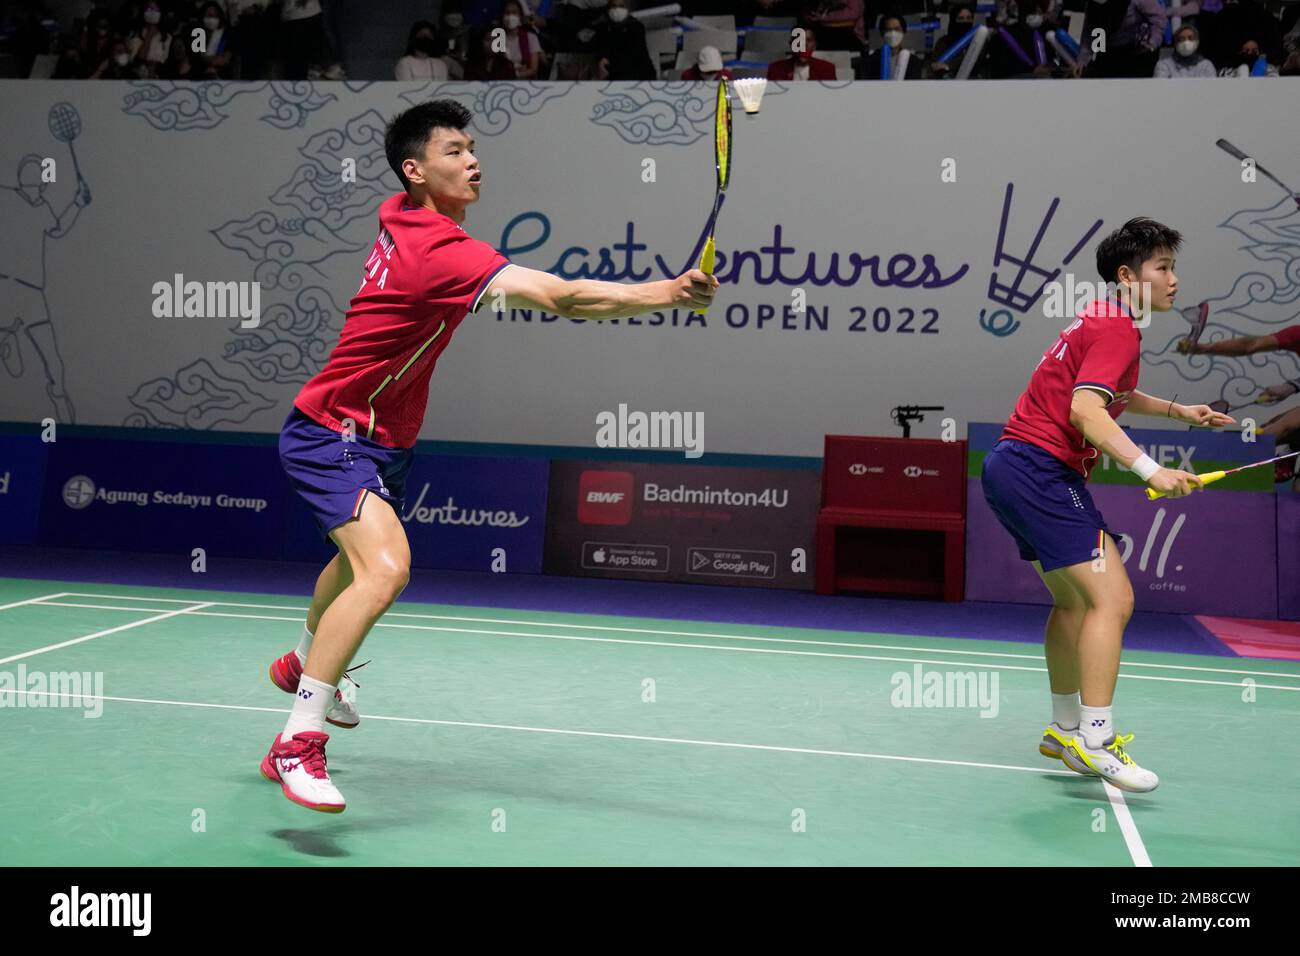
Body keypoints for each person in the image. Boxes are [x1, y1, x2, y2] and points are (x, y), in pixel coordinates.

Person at [262, 100, 719, 812]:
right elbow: (561, 297)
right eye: (452, 151)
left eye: (472, 147)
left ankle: (304, 662)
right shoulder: (437, 251)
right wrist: (665, 291)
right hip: (333, 430)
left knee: (352, 562)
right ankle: (299, 742)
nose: (472, 160)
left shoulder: (403, 216)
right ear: (416, 170)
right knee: (387, 570)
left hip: (384, 437)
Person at [980, 218, 1234, 793]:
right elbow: (1086, 414)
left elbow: (1109, 393)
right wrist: (1153, 471)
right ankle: (1095, 741)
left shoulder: (1103, 319)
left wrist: (1177, 411)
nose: (1174, 280)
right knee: (1113, 599)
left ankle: (1064, 728)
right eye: (1163, 268)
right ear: (1128, 275)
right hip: (1041, 470)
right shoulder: (1117, 328)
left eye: (1173, 267)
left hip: (1012, 467)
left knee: (1074, 603)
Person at [768, 27, 837, 79]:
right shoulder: (776, 69)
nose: (803, 44)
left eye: (808, 40)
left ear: (814, 46)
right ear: (791, 45)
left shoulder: (827, 69)